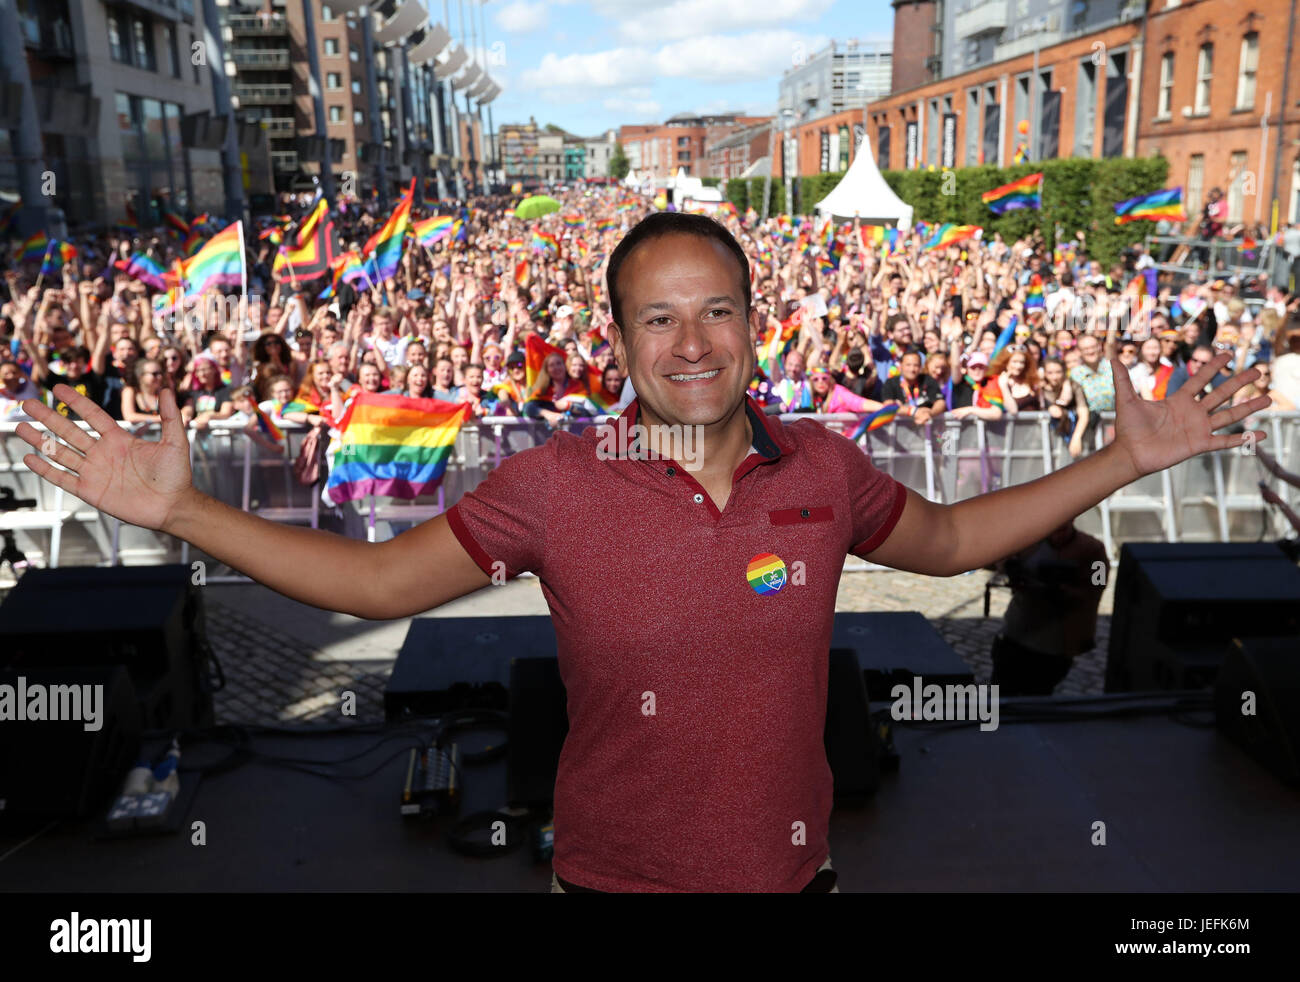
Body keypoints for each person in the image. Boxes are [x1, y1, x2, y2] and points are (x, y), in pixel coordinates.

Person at [15, 211, 1270, 893]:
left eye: (715, 308)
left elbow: (945, 540)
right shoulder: (556, 484)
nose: (690, 342)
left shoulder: (822, 470)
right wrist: (181, 512)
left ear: (751, 328)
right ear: (615, 339)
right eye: (656, 316)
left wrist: (1121, 461)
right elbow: (378, 583)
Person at [988, 519, 1109, 696]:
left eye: (1062, 529)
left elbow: (1097, 585)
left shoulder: (1093, 549)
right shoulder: (1028, 540)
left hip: (1055, 644)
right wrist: (1008, 565)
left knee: (1036, 696)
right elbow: (999, 556)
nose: (1057, 535)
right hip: (1017, 634)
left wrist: (1063, 590)